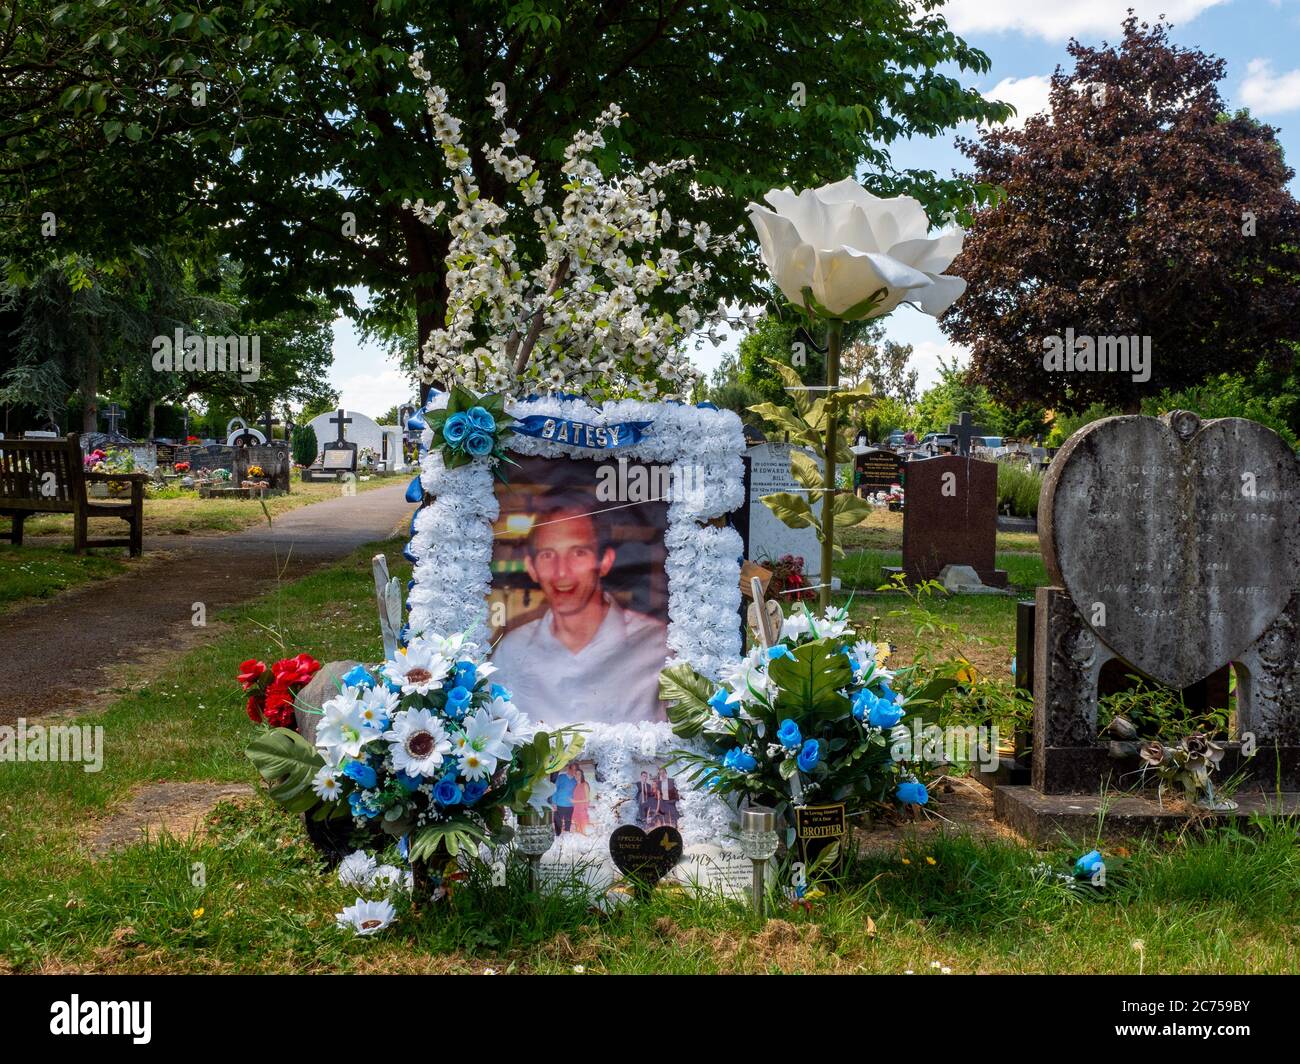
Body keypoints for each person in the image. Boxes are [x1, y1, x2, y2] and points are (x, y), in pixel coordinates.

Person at [492, 495, 670, 724]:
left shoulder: (659, 647)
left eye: (578, 553)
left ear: (604, 561)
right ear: (532, 567)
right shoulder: (510, 653)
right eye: (547, 555)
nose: (562, 572)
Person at [551, 767, 576, 834]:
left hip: (570, 805)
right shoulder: (561, 777)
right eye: (573, 769)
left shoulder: (575, 780)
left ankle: (567, 836)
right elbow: (555, 789)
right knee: (557, 820)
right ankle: (557, 834)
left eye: (575, 770)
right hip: (559, 803)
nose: (574, 771)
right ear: (569, 769)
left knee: (568, 821)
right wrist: (554, 802)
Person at [570, 765, 591, 835]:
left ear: (582, 775)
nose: (577, 775)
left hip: (583, 811)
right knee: (577, 832)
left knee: (583, 831)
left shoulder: (585, 784)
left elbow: (587, 800)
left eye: (579, 774)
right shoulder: (575, 786)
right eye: (576, 774)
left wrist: (574, 801)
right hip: (575, 810)